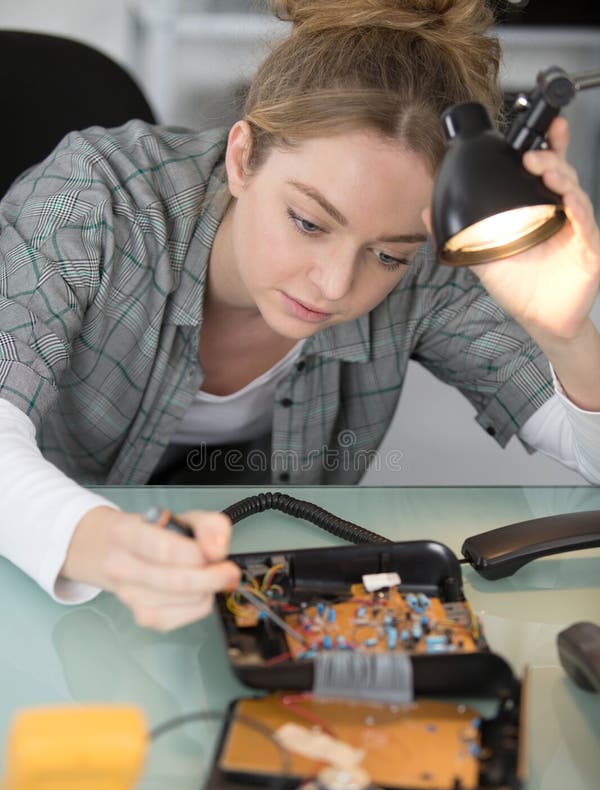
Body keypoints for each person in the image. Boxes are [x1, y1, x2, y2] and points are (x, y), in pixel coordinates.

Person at [0, 0, 599, 632]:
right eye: (309, 222)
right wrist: (109, 549)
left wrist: (567, 336)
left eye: (388, 254)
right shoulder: (93, 202)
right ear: (242, 156)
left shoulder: (429, 267)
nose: (336, 284)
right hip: (45, 595)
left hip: (267, 618)